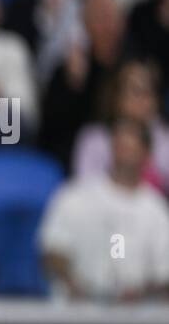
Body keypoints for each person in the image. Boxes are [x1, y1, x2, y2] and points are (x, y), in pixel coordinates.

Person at [39, 118, 169, 302]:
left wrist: (139, 295)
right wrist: (75, 285)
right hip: (75, 315)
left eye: (132, 146)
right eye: (120, 144)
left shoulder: (157, 210)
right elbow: (52, 250)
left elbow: (164, 275)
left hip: (137, 320)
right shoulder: (75, 195)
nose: (124, 151)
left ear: (146, 154)